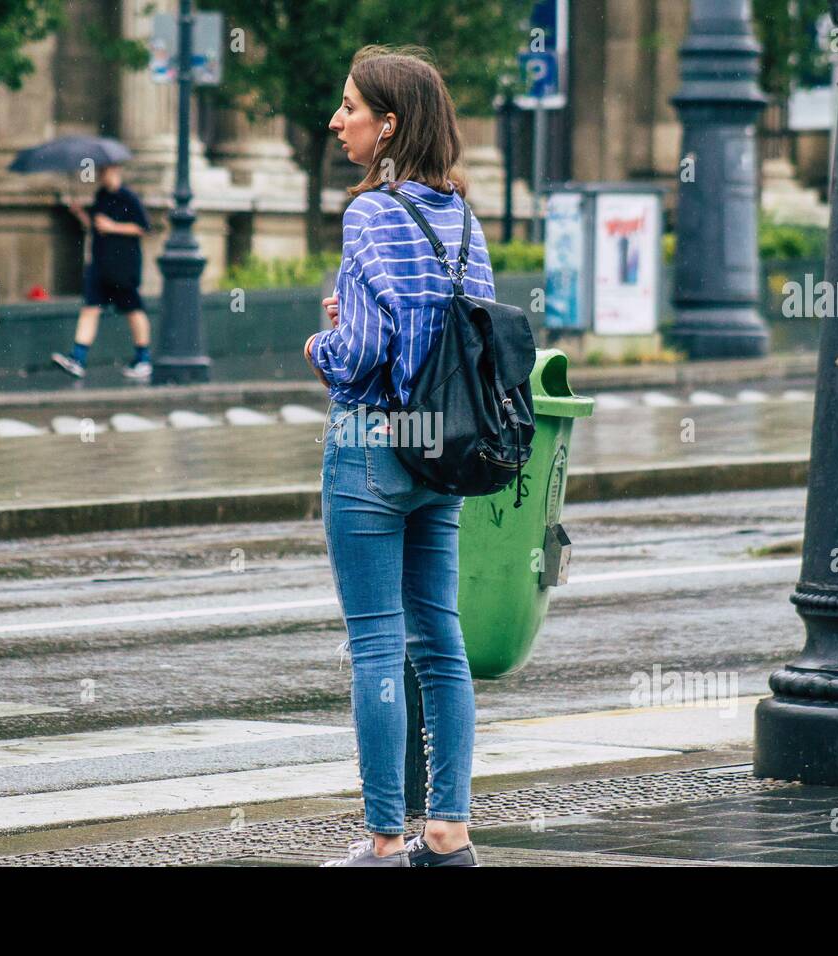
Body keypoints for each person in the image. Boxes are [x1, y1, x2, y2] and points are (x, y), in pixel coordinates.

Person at [304, 44, 496, 867]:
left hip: (370, 447)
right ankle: (447, 832)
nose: (337, 120)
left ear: (389, 124)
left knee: (377, 645)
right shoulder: (463, 216)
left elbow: (365, 351)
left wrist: (323, 338)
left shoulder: (370, 215)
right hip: (444, 454)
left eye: (351, 107)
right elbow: (478, 331)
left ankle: (384, 839)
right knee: (441, 640)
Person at [51, 163, 153, 379]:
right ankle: (77, 358)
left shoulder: (128, 197)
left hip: (123, 266)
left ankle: (143, 358)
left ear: (116, 170)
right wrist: (80, 213)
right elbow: (96, 226)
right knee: (90, 308)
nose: (99, 175)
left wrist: (113, 226)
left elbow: (143, 227)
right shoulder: (101, 196)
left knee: (133, 309)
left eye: (103, 171)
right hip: (100, 264)